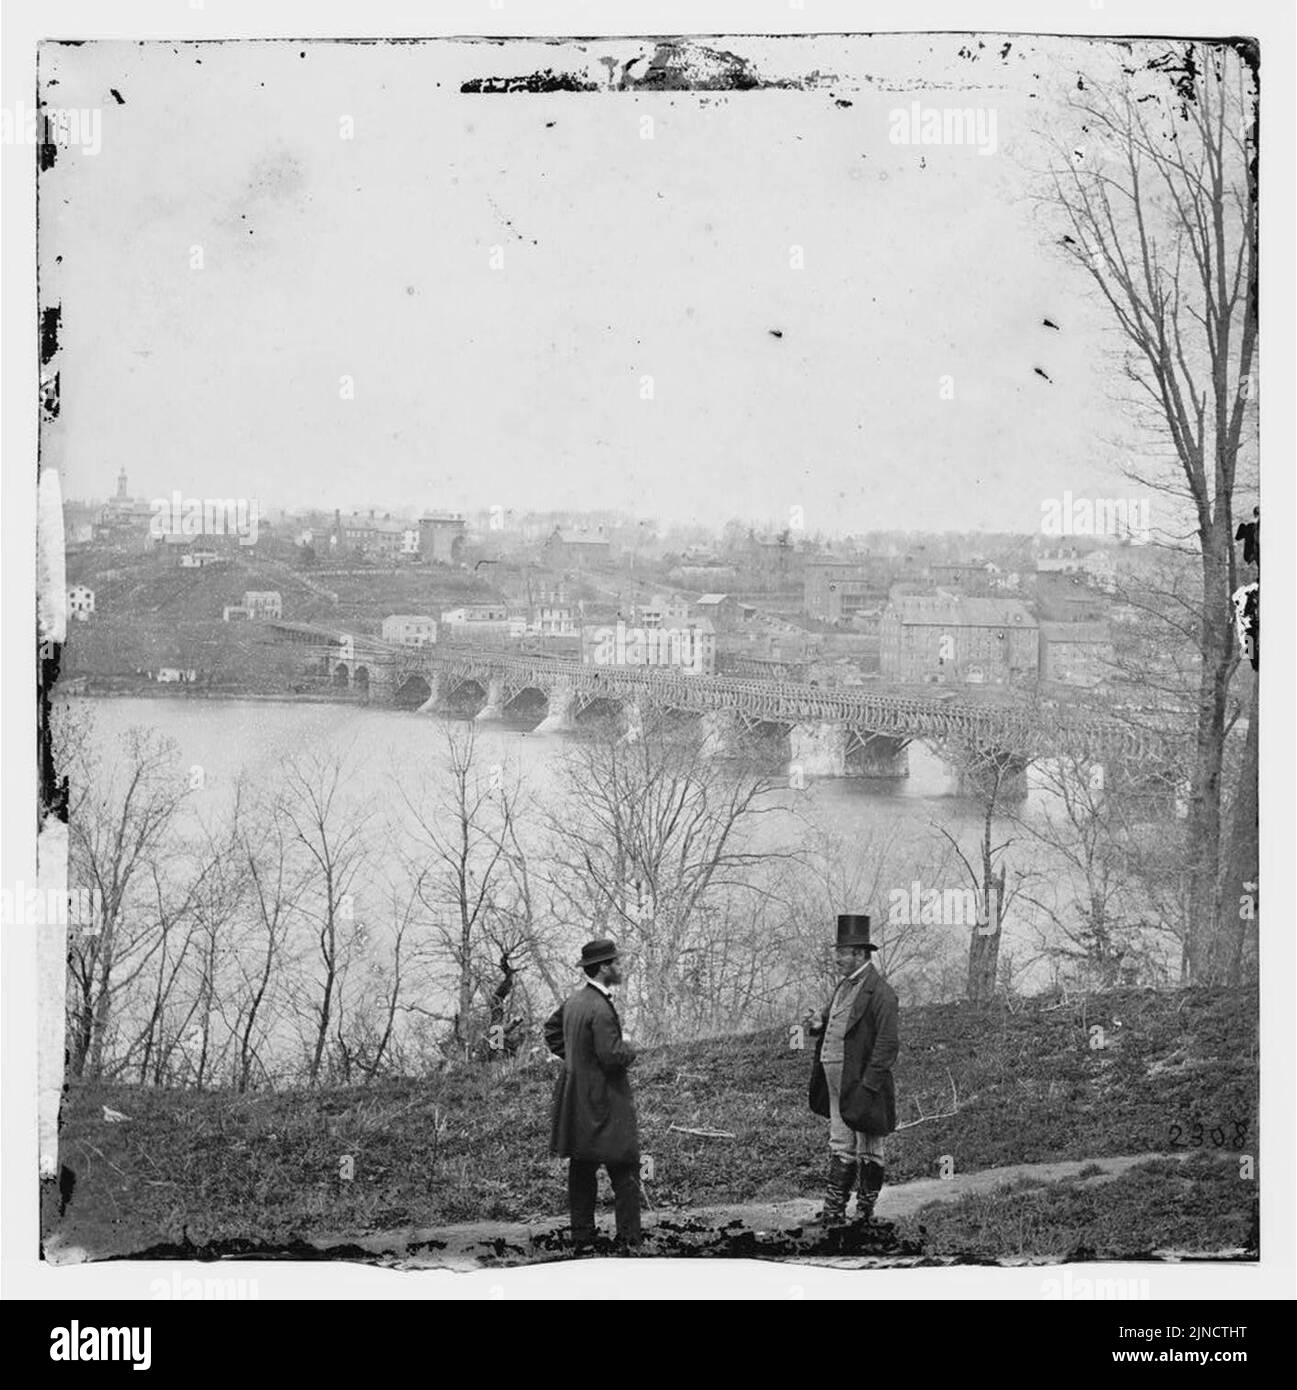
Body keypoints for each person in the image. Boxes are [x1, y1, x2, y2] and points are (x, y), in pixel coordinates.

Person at [543, 939, 642, 1251]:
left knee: (582, 1165)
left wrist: (576, 1058)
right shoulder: (599, 1007)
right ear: (602, 968)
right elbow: (612, 1056)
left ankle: (582, 1237)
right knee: (625, 1166)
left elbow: (551, 1031)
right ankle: (629, 1239)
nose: (620, 967)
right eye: (615, 962)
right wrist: (629, 1047)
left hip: (577, 1099)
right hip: (604, 1100)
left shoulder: (575, 1001)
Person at [805, 914, 899, 1226]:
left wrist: (868, 1087)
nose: (836, 959)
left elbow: (887, 1044)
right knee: (841, 1143)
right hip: (835, 1081)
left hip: (862, 1083)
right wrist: (818, 1025)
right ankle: (833, 1214)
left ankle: (864, 1216)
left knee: (870, 1148)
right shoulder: (843, 987)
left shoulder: (882, 993)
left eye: (841, 953)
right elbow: (835, 1022)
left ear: (859, 954)